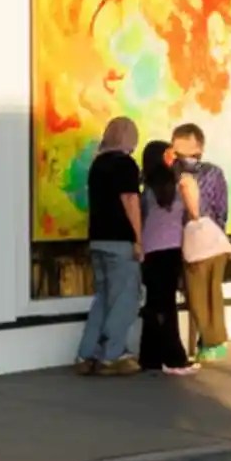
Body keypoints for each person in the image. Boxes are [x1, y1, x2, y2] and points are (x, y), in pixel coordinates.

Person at [75, 117, 144, 376]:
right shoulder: (125, 164)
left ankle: (86, 353)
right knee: (125, 299)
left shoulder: (97, 164)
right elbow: (130, 201)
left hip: (98, 239)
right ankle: (111, 355)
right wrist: (138, 239)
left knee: (103, 298)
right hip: (120, 240)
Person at [137, 140, 199, 375]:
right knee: (166, 305)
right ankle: (175, 358)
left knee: (154, 304)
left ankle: (149, 357)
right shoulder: (177, 183)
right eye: (170, 154)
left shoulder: (147, 188)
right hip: (171, 248)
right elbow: (191, 213)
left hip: (150, 251)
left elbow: (142, 218)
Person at [172, 123, 231, 363]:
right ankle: (209, 342)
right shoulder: (175, 173)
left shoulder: (202, 173)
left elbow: (220, 208)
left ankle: (210, 341)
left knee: (201, 293)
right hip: (202, 239)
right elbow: (221, 209)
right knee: (205, 293)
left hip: (201, 240)